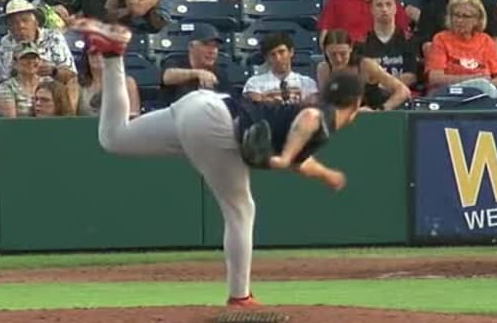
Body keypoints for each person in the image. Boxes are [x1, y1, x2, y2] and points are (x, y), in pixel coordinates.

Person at [79, 17, 364, 308]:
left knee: (115, 138)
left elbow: (299, 157)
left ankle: (113, 56)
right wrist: (289, 154)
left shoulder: (322, 119)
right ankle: (240, 296)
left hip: (199, 106)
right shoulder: (324, 117)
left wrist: (324, 174)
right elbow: (308, 120)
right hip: (216, 123)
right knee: (241, 209)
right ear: (355, 104)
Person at [422, 0, 497, 104]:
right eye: (456, 15)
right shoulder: (441, 39)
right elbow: (434, 78)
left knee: (493, 98)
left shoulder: (486, 41)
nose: (459, 20)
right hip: (450, 94)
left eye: (466, 16)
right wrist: (474, 81)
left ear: (477, 20)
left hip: (480, 94)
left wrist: (484, 86)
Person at [317, 27, 410, 110]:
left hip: (372, 115)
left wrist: (381, 109)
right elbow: (326, 103)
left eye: (343, 54)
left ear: (351, 48)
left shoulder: (366, 65)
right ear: (325, 51)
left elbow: (403, 90)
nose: (338, 59)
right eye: (333, 54)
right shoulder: (324, 69)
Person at [0, 0, 76, 85]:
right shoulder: (7, 43)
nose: (21, 26)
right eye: (14, 22)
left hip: (52, 91)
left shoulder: (53, 37)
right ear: (9, 27)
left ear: (36, 22)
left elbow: (71, 76)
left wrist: (53, 71)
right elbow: (5, 80)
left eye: (25, 20)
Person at [355, 0, 419, 95]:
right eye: (379, 5)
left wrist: (387, 86)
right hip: (372, 97)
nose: (384, 9)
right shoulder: (362, 43)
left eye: (388, 4)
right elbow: (361, 78)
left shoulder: (408, 40)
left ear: (395, 8)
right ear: (371, 9)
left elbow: (411, 76)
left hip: (403, 96)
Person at [242, 32, 320, 106]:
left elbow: (312, 105)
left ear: (291, 52)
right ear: (266, 58)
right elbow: (255, 105)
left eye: (281, 52)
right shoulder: (254, 83)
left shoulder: (307, 83)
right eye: (273, 54)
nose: (278, 58)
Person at [77, 46, 139, 117]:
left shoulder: (127, 84)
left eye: (103, 54)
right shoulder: (77, 85)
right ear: (86, 57)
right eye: (93, 53)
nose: (98, 57)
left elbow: (134, 118)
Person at [0, 42, 45, 117]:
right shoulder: (7, 87)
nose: (30, 61)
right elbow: (10, 122)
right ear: (15, 63)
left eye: (34, 57)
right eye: (24, 58)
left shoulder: (48, 82)